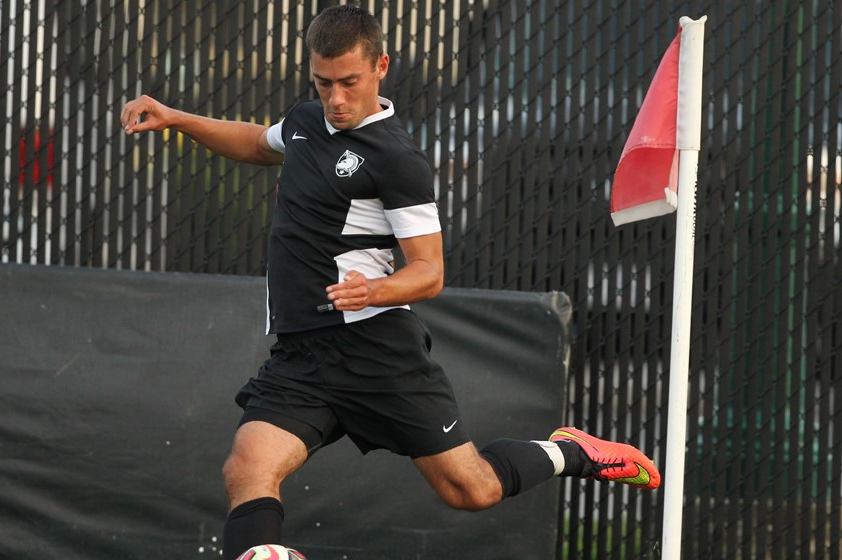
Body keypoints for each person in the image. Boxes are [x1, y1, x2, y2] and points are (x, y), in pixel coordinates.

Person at [120, 5, 661, 559]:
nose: (335, 98)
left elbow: (430, 272)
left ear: (381, 66)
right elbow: (260, 144)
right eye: (323, 82)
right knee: (247, 466)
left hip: (377, 352)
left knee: (471, 489)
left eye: (348, 83)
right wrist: (177, 117)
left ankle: (569, 452)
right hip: (304, 353)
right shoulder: (308, 122)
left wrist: (373, 290)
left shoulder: (398, 160)